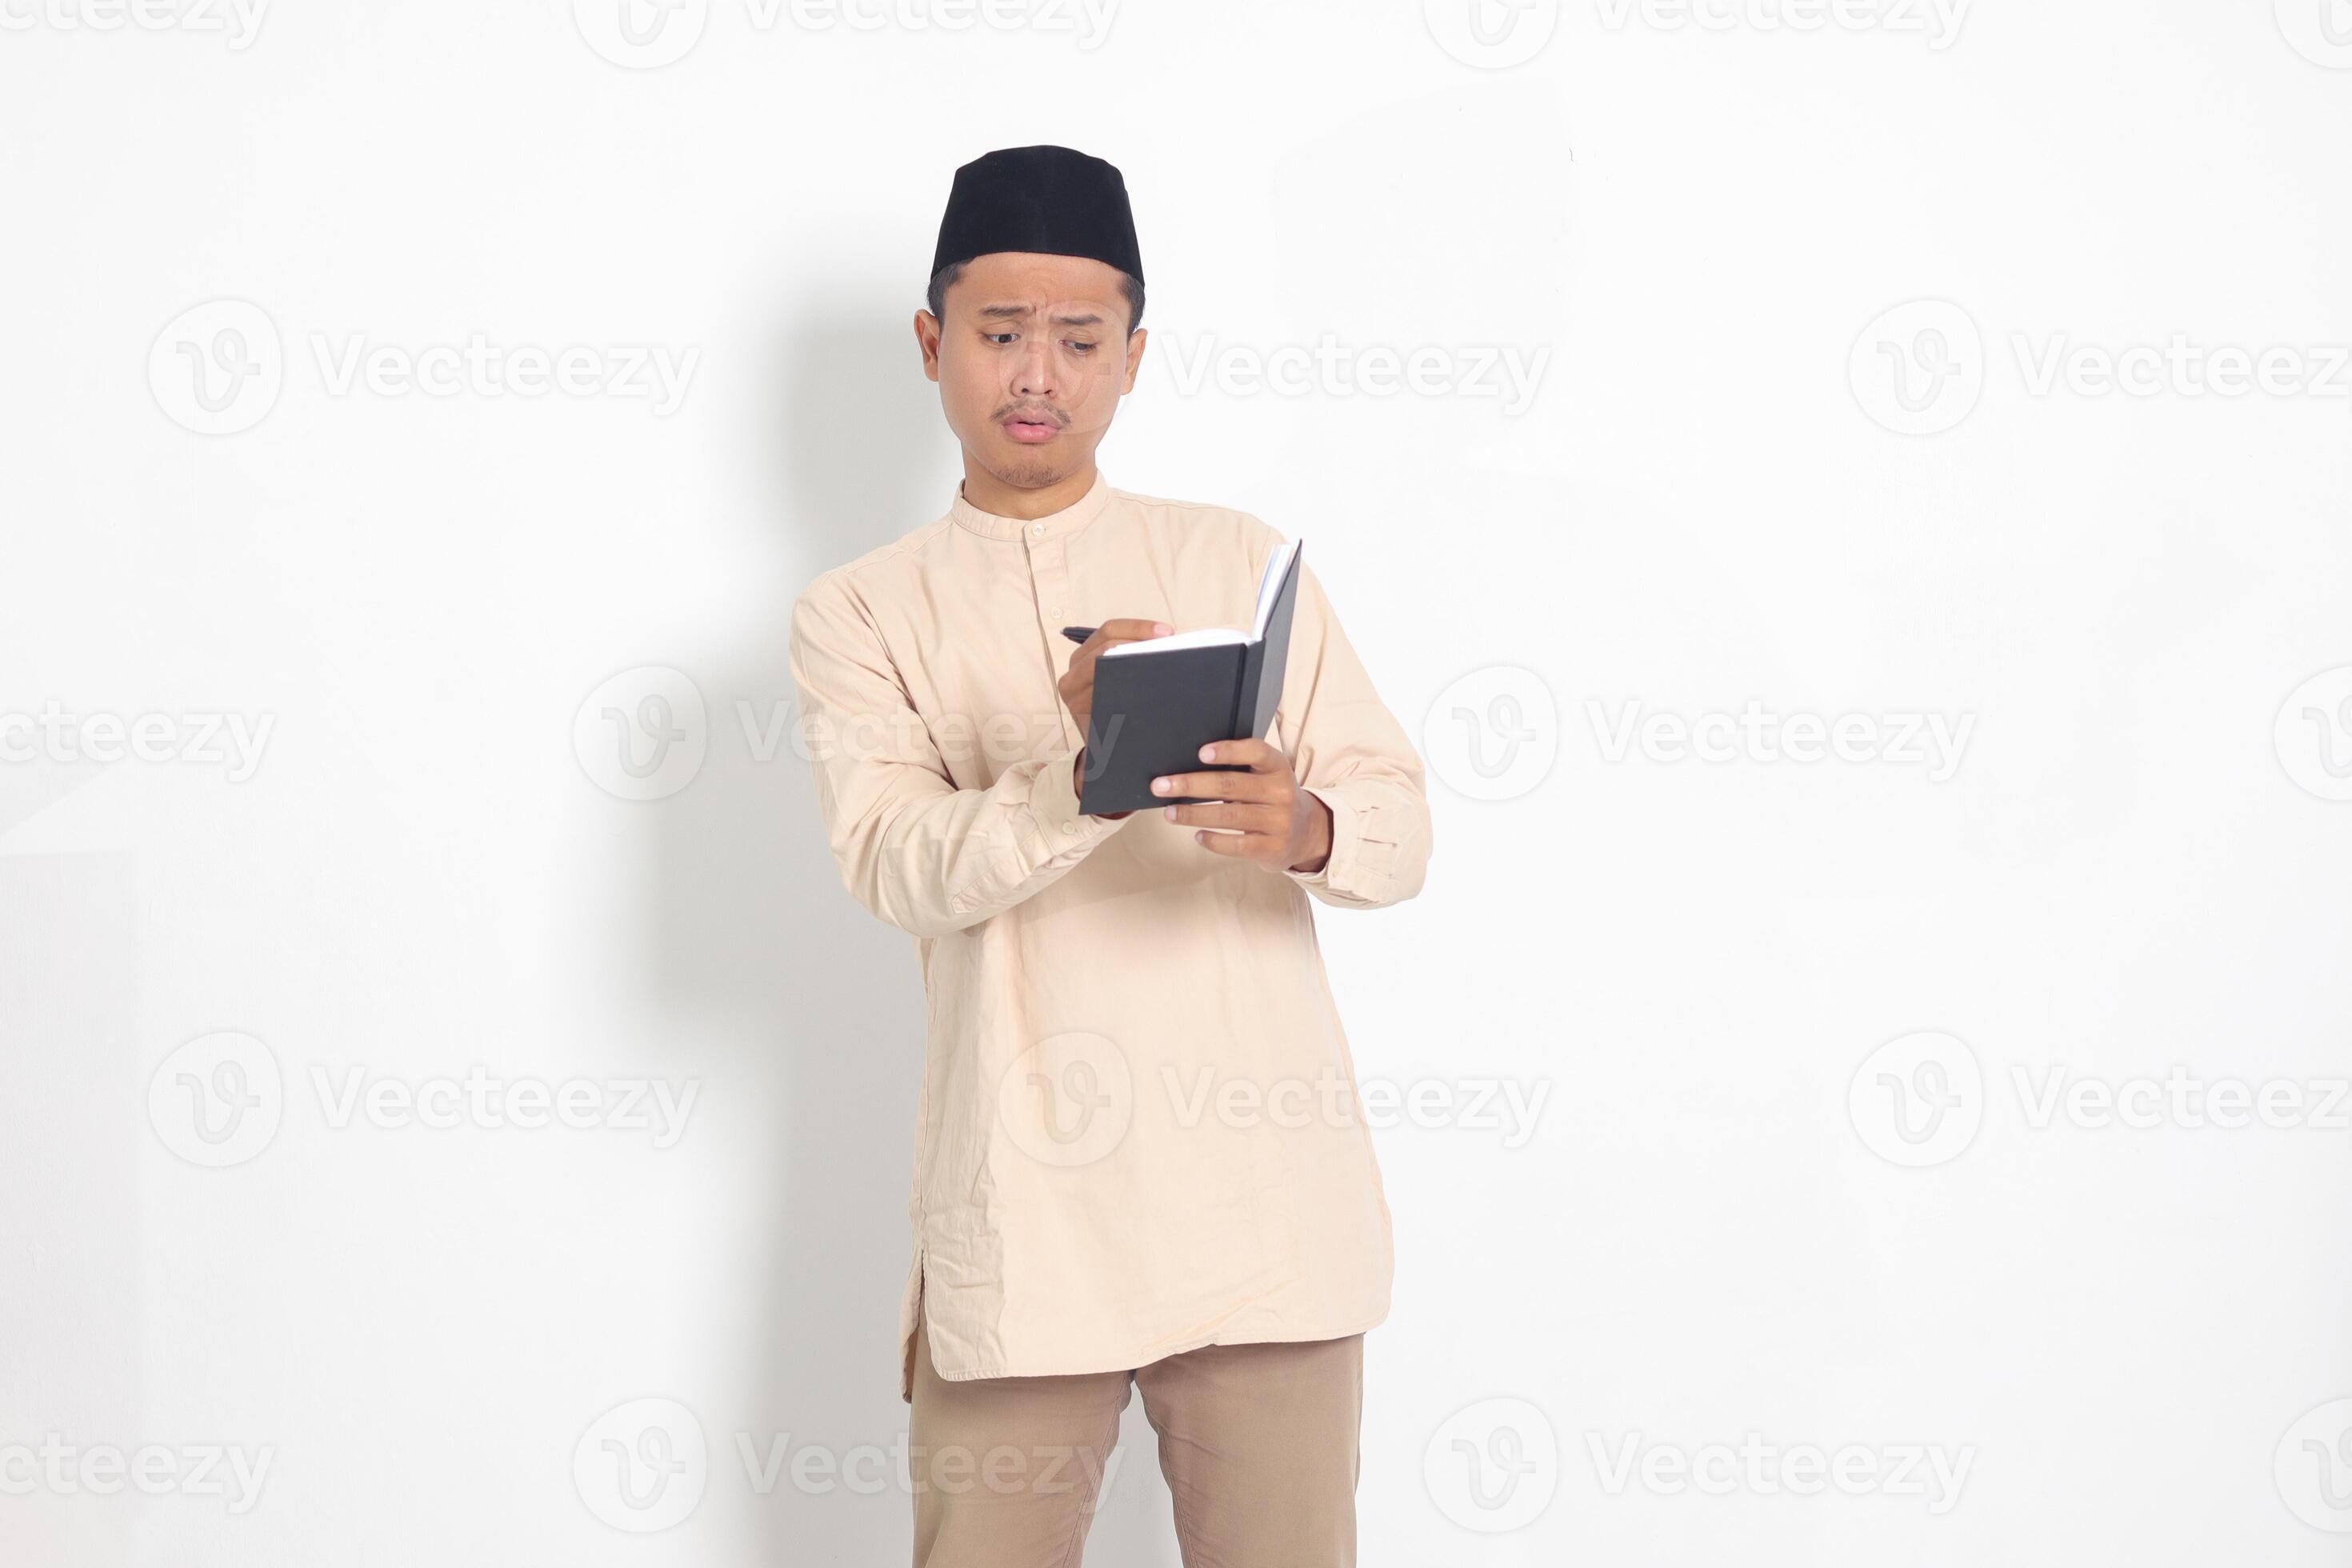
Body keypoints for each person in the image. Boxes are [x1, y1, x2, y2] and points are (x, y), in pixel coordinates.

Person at [786, 143, 1434, 1568]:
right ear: (931, 343)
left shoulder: (1233, 558)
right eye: (1002, 334)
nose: (1039, 375)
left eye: (1080, 340)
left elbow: (1398, 822)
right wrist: (1082, 776)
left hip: (1264, 1212)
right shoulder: (861, 611)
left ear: (1134, 358)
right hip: (1022, 1220)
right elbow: (893, 863)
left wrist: (1309, 827)